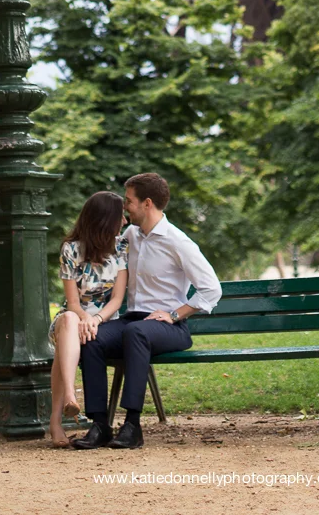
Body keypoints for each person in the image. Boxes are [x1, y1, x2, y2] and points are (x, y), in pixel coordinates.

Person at [73, 171, 222, 452]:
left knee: (137, 331)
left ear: (147, 203)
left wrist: (175, 314)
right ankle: (100, 425)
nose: (124, 207)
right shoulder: (131, 235)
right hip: (133, 322)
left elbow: (212, 289)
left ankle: (132, 425)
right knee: (93, 337)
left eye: (128, 201)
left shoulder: (178, 242)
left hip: (169, 328)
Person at [49, 190, 128, 449]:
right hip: (72, 318)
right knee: (70, 321)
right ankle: (71, 396)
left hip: (105, 322)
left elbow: (117, 299)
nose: (125, 222)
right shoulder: (70, 249)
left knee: (71, 333)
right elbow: (72, 302)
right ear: (105, 219)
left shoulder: (121, 248)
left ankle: (57, 421)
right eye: (120, 217)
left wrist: (96, 320)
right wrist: (85, 318)